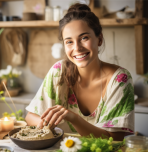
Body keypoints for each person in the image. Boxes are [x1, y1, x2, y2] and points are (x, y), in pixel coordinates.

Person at [25, 3, 134, 141]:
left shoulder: (120, 79)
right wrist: (52, 127)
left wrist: (73, 118)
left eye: (84, 38)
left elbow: (115, 139)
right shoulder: (59, 71)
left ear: (99, 39)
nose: (77, 48)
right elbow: (30, 117)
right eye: (69, 42)